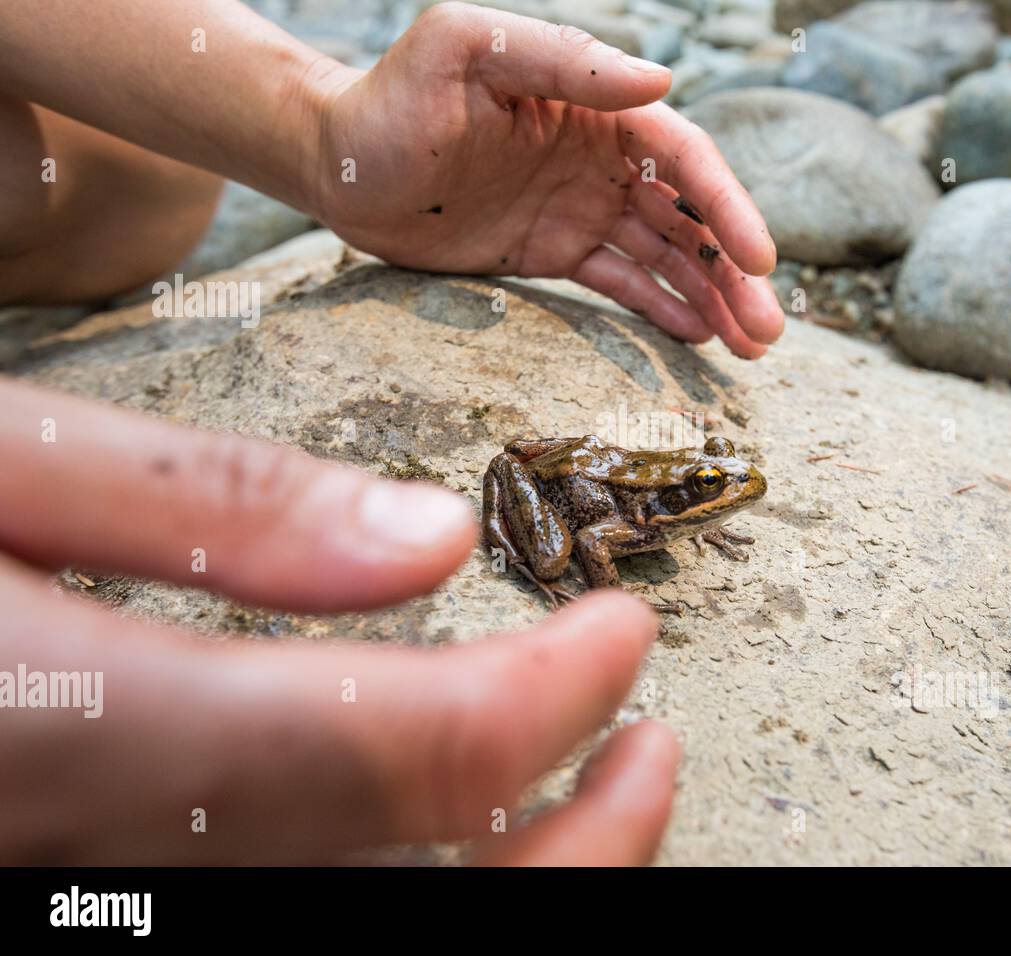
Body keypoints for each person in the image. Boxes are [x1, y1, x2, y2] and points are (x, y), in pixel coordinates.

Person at [0, 1, 784, 864]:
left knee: (137, 190)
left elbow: (148, 197)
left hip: (126, 201)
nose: (730, 493)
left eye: (710, 481)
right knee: (559, 556)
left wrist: (322, 130)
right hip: (564, 484)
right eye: (711, 488)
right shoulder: (635, 519)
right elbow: (596, 536)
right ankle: (516, 548)